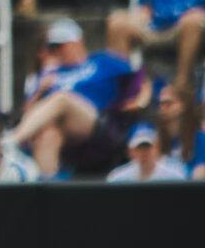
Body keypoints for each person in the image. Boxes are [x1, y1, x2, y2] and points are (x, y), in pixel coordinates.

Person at [8, 17, 139, 177]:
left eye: (62, 45)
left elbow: (139, 79)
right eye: (53, 47)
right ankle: (48, 192)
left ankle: (12, 141)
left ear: (78, 41)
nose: (58, 51)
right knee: (49, 135)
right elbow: (28, 114)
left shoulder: (102, 61)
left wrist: (140, 101)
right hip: (62, 124)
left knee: (62, 98)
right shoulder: (50, 73)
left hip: (96, 119)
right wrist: (41, 89)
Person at [106, 124, 188, 182]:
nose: (144, 153)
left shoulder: (174, 175)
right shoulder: (118, 178)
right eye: (139, 148)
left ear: (157, 148)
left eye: (147, 147)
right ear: (130, 152)